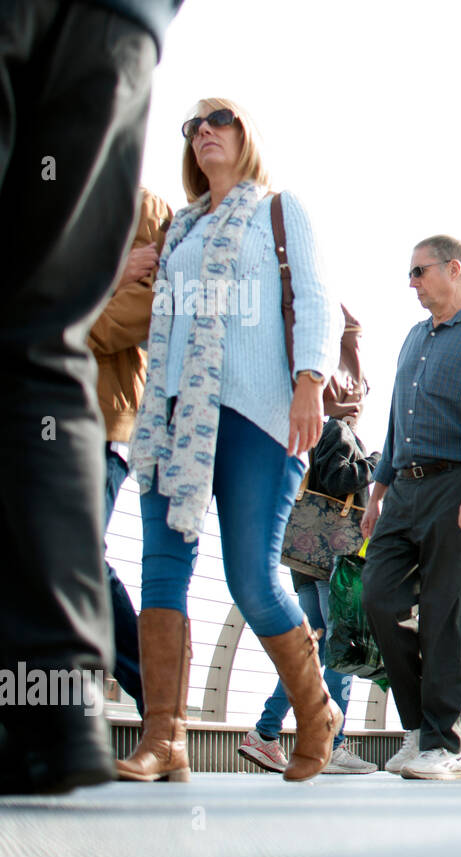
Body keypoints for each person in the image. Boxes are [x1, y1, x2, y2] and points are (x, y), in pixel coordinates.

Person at [120, 98, 343, 783]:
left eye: (219, 118)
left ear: (246, 134)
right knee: (160, 568)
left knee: (251, 576)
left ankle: (317, 709)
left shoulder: (280, 211)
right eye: (192, 127)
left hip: (257, 413)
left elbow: (315, 299)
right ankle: (165, 737)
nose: (203, 131)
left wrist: (310, 380)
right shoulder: (181, 235)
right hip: (176, 422)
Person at [0, 0, 182, 795]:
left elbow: (135, 323)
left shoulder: (157, 218)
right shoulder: (128, 207)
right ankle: (57, 708)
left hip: (106, 423)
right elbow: (77, 325)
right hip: (124, 19)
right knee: (43, 337)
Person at [361, 235, 461, 781]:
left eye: (418, 271)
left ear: (454, 269)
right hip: (403, 488)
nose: (411, 282)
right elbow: (394, 418)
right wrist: (377, 491)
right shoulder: (411, 338)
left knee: (445, 613)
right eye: (409, 273)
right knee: (379, 596)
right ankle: (418, 729)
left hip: (458, 486)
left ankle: (447, 744)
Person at [241, 320, 379, 776]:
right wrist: (377, 462)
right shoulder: (337, 429)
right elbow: (342, 478)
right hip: (333, 559)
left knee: (313, 653)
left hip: (306, 559)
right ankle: (332, 743)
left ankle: (265, 734)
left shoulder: (306, 425)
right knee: (340, 648)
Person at [92, 186, 173, 717]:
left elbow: (146, 303)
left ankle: (158, 700)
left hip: (97, 419)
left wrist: (60, 320)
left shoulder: (142, 208)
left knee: (74, 556)